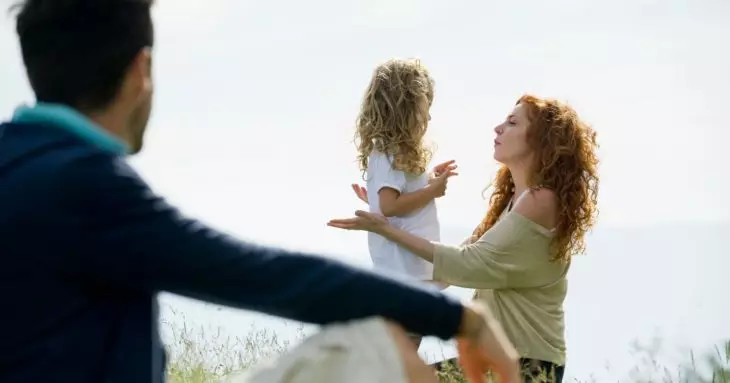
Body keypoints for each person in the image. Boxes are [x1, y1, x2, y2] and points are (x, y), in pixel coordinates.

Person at [0, 1, 522, 383]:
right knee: (370, 351)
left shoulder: (20, 161)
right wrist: (460, 319)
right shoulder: (84, 185)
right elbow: (263, 276)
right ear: (142, 71)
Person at [330, 94, 600, 382]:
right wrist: (390, 206)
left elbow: (466, 265)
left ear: (540, 140)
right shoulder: (511, 204)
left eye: (512, 123)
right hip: (498, 360)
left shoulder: (541, 201)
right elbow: (448, 271)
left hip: (529, 367)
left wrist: (386, 230)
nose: (498, 128)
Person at [352, 58, 458, 349]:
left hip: (408, 266)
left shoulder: (389, 151)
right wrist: (432, 192)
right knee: (401, 355)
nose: (428, 119)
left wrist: (427, 183)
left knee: (400, 353)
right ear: (407, 108)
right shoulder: (388, 151)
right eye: (425, 109)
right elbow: (390, 206)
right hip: (406, 268)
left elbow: (389, 200)